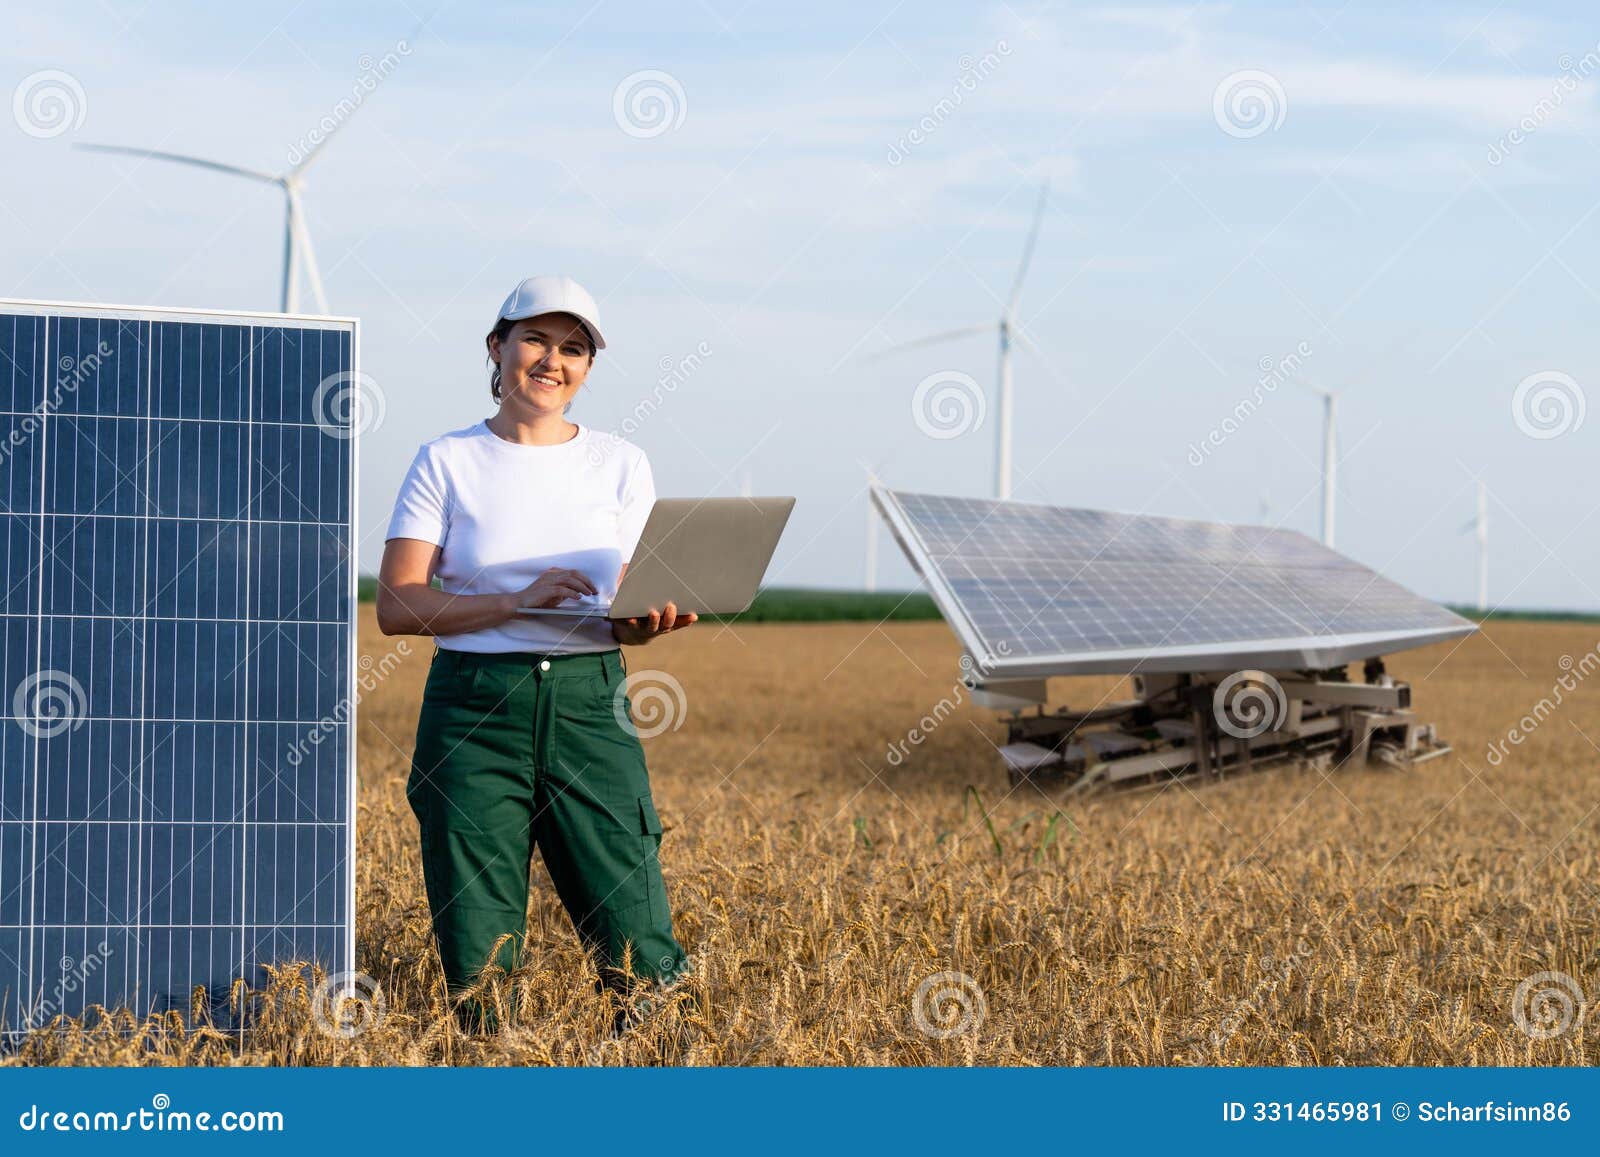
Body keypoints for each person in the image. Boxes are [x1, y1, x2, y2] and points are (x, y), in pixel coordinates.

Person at [376, 274, 697, 1035]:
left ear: (587, 367)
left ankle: (665, 1071)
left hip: (591, 704)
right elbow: (397, 604)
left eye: (574, 348)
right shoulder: (446, 460)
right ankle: (495, 1071)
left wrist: (645, 626)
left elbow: (625, 608)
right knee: (479, 947)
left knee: (635, 924)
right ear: (498, 346)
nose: (554, 360)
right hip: (473, 707)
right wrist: (516, 602)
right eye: (537, 340)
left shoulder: (621, 463)